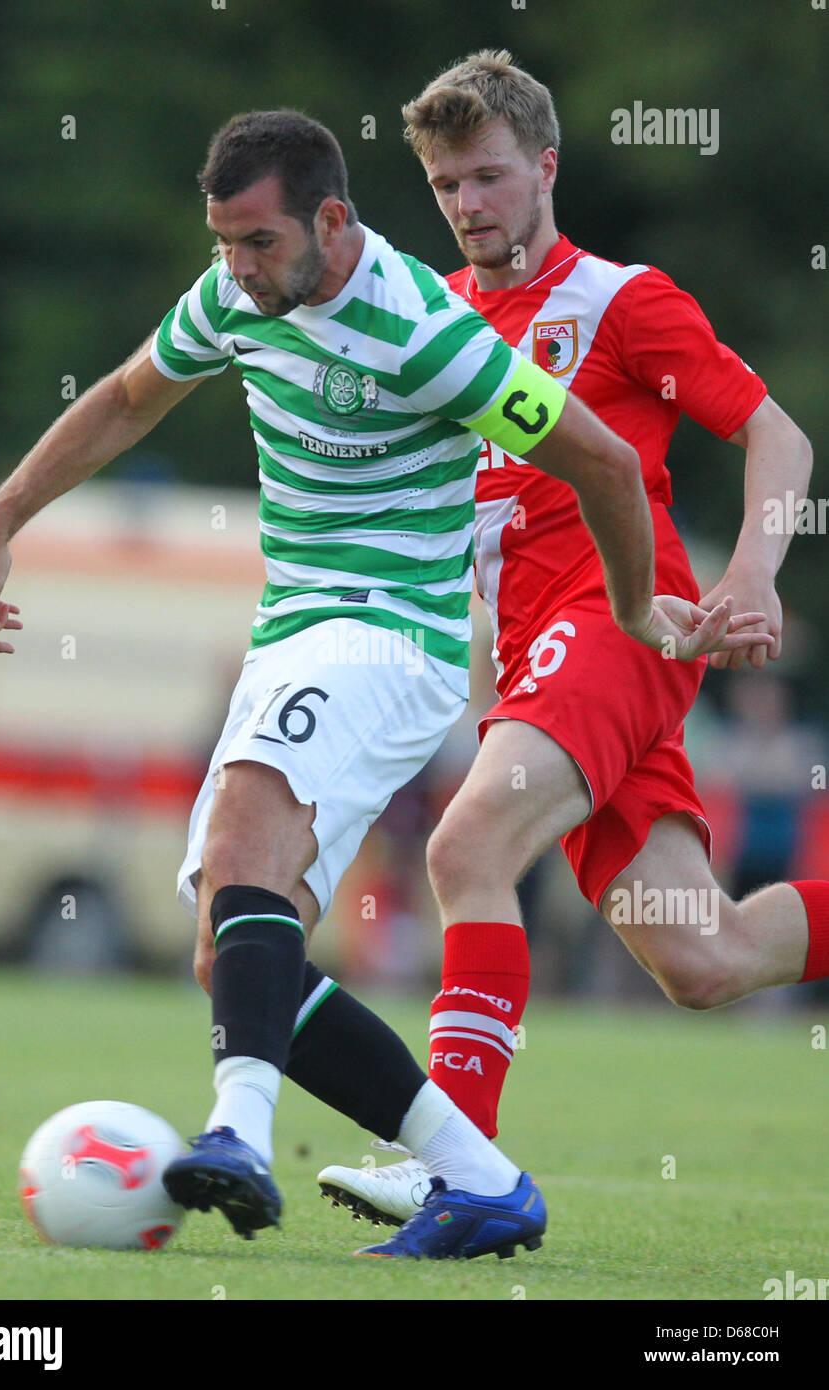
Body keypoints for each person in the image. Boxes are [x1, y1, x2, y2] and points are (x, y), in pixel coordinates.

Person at [0, 108, 766, 1261]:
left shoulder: (426, 332)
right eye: (224, 242)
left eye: (260, 244)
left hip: (392, 639)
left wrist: (635, 609)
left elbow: (605, 456)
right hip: (294, 632)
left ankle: (236, 1131)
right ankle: (482, 1180)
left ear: (332, 221)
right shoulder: (234, 294)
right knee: (238, 947)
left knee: (249, 844)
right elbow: (130, 396)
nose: (237, 269)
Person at [316, 51, 821, 1244]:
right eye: (446, 186)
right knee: (707, 956)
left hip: (622, 625)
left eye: (490, 176)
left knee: (467, 842)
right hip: (537, 662)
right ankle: (461, 1168)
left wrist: (754, 572)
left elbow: (778, 437)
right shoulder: (439, 316)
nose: (471, 205)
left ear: (546, 166)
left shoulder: (620, 299)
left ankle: (454, 1167)